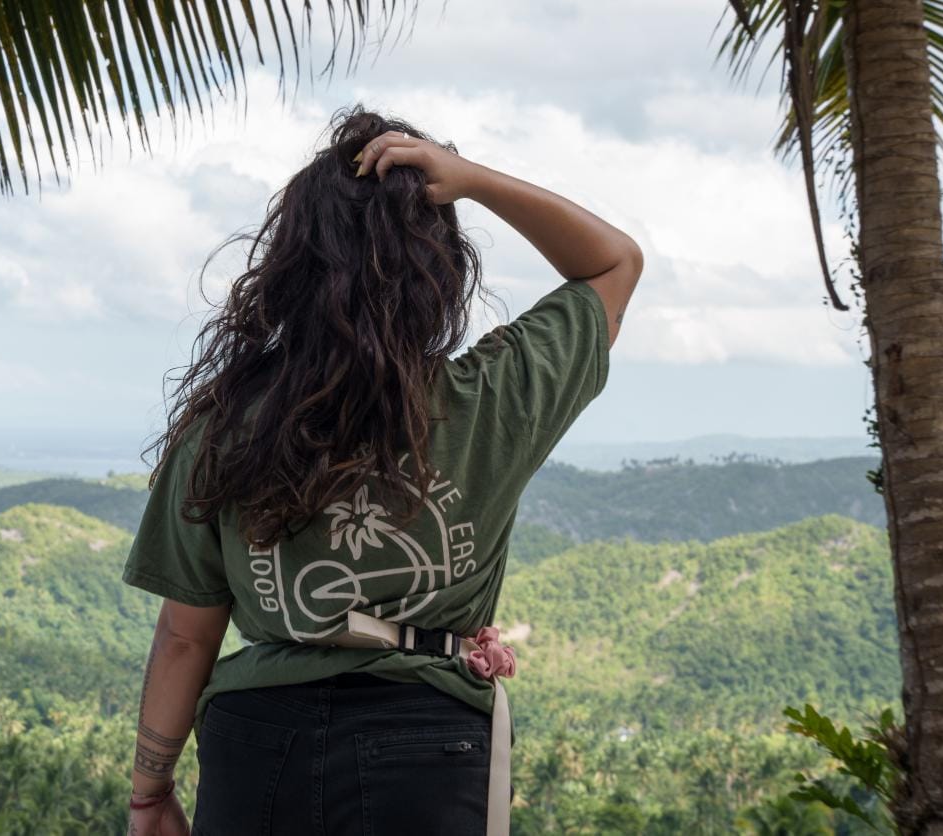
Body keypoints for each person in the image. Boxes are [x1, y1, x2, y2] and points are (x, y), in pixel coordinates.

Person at [121, 105, 643, 836]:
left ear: (291, 264)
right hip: (429, 746)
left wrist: (150, 791)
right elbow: (615, 261)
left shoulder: (225, 424)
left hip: (256, 744)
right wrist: (473, 182)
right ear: (440, 271)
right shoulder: (489, 400)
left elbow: (185, 635)